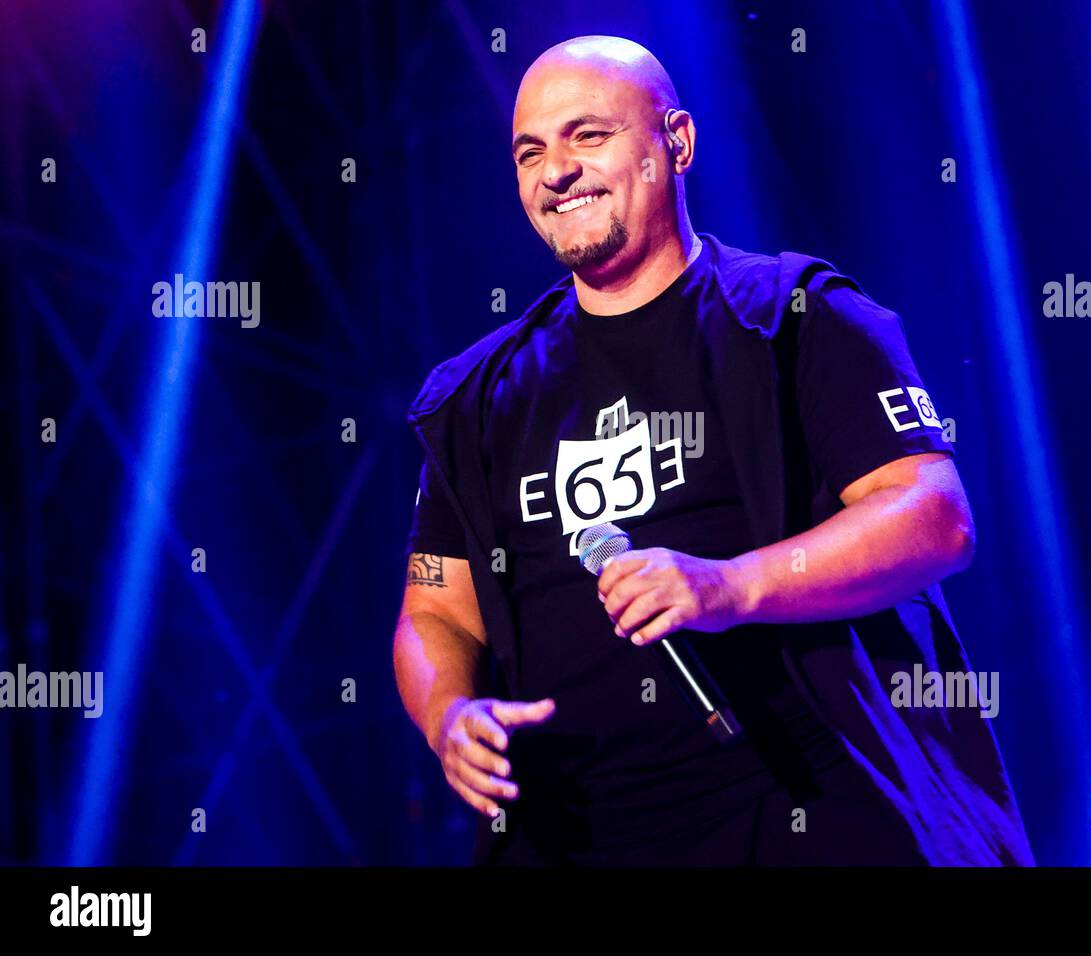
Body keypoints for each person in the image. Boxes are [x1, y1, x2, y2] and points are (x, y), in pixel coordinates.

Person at [392, 35, 1034, 866]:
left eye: (587, 136)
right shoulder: (478, 398)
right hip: (579, 836)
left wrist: (731, 585)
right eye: (530, 151)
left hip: (811, 816)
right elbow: (434, 611)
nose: (555, 171)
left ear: (677, 143)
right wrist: (449, 715)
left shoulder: (796, 319)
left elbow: (933, 518)